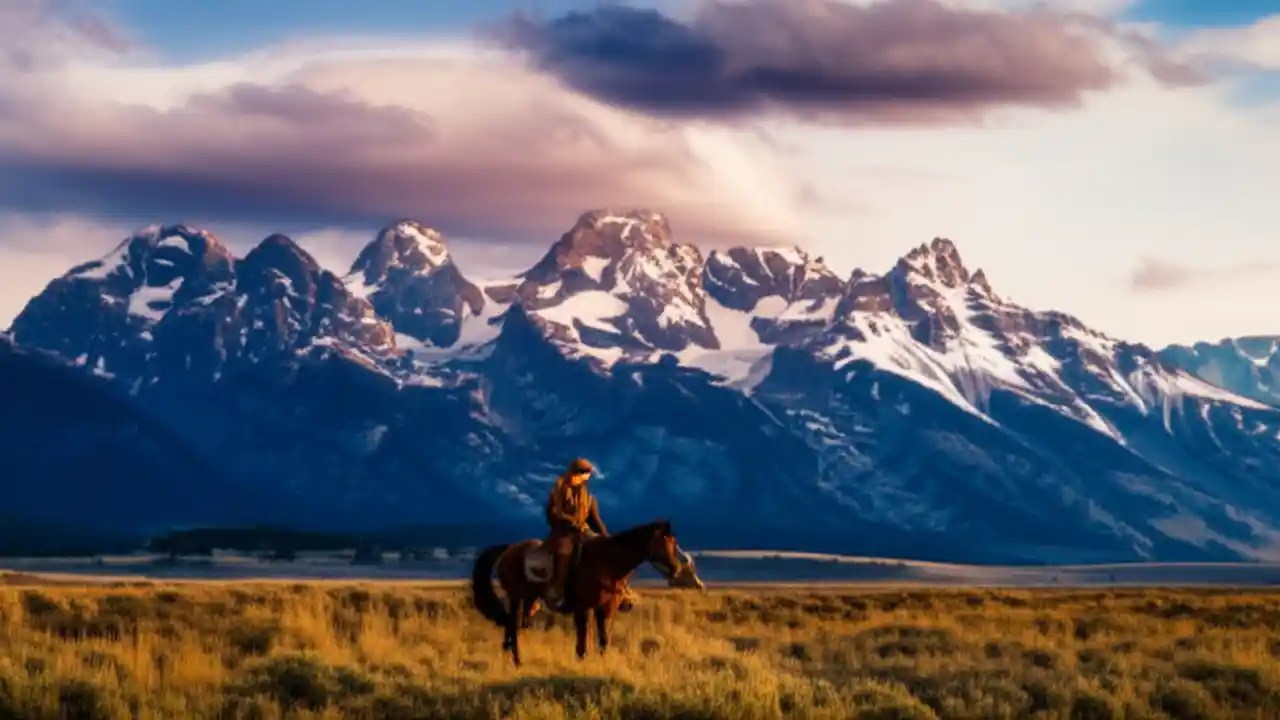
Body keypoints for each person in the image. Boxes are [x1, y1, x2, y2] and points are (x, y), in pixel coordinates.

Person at [542, 457, 636, 611]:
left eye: (585, 474)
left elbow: (596, 521)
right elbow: (553, 514)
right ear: (571, 473)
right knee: (564, 552)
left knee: (610, 552)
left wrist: (607, 537)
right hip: (564, 533)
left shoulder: (589, 499)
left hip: (584, 532)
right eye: (579, 473)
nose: (581, 476)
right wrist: (568, 521)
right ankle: (557, 590)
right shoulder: (557, 492)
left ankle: (622, 590)